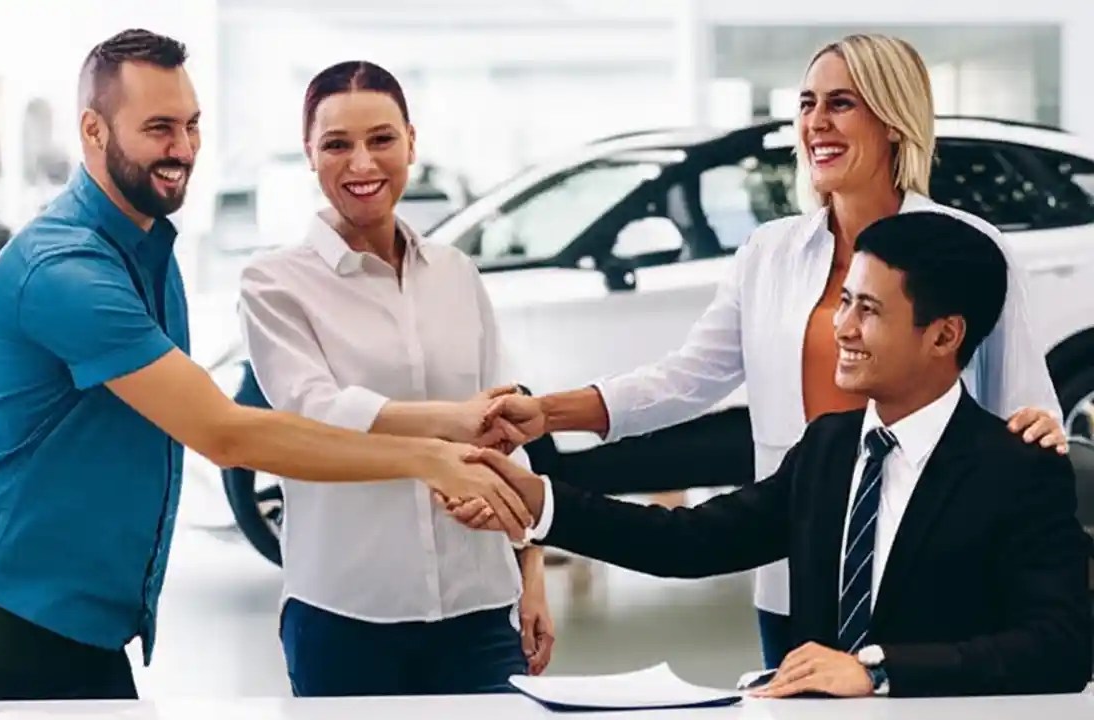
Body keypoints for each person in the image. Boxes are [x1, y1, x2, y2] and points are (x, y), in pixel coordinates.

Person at [0, 31, 531, 702]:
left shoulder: (147, 250)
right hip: (5, 610)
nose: (182, 148)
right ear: (93, 130)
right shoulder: (64, 269)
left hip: (71, 617)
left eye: (190, 125)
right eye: (158, 128)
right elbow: (225, 433)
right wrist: (425, 455)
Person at [481, 33, 1068, 669]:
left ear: (894, 118)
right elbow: (689, 378)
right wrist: (549, 419)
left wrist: (1037, 435)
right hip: (798, 551)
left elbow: (1024, 408)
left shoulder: (966, 251)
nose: (816, 122)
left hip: (932, 559)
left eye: (842, 103)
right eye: (807, 103)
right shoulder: (771, 257)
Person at [458, 211, 1094, 698]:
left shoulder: (1017, 466)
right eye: (844, 300)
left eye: (867, 310)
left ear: (945, 335)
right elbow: (693, 541)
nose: (841, 327)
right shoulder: (830, 446)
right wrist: (538, 501)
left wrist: (878, 673)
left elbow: (1060, 649)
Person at [237, 60, 552, 698]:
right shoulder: (274, 283)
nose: (361, 164)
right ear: (309, 154)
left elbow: (504, 427)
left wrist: (533, 566)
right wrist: (446, 425)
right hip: (347, 613)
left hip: (480, 605)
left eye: (381, 139)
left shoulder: (456, 273)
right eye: (337, 144)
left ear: (412, 140)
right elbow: (314, 410)